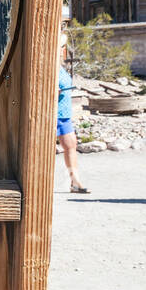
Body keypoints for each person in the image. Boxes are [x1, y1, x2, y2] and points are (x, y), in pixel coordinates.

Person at [58, 33, 89, 193]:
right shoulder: (49, 66)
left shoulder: (60, 68)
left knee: (71, 145)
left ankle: (75, 181)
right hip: (51, 114)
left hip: (63, 113)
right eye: (62, 46)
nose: (64, 50)